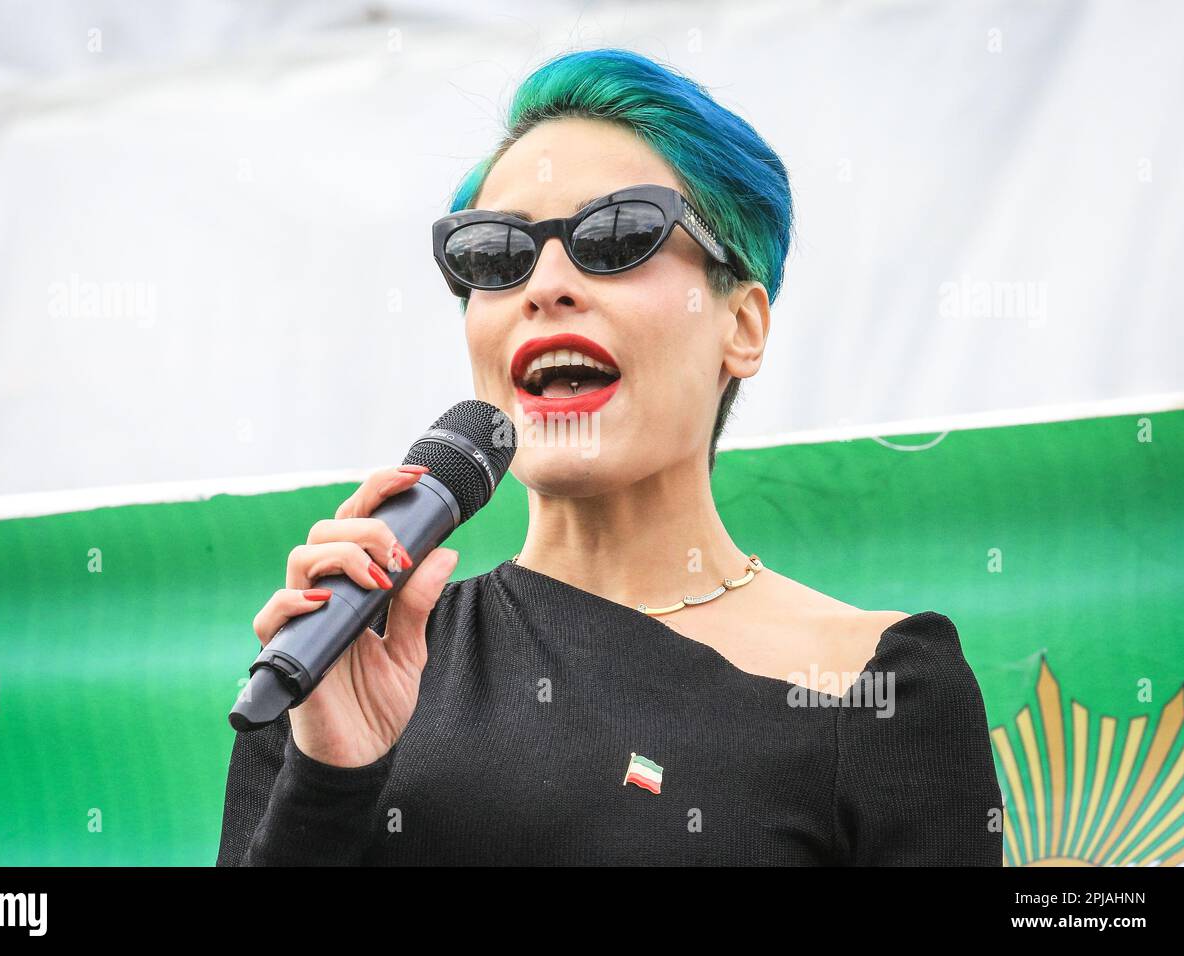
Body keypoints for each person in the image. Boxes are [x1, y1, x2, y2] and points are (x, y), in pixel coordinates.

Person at [216, 47, 1004, 866]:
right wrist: (330, 779)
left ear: (742, 325)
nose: (545, 284)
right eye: (495, 253)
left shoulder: (875, 686)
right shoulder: (338, 665)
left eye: (617, 233)